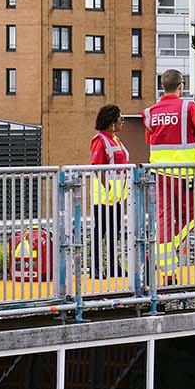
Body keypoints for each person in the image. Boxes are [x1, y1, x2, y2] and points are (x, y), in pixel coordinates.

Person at [145, 69, 195, 280]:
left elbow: (151, 141)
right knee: (193, 215)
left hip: (159, 174)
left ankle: (167, 272)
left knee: (164, 218)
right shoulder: (188, 107)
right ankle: (159, 253)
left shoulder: (150, 113)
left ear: (162, 86)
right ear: (181, 86)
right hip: (185, 174)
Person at [88, 104, 131, 279]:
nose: (122, 122)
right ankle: (96, 267)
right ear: (112, 122)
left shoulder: (115, 139)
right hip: (104, 196)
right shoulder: (100, 140)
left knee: (114, 232)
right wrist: (109, 189)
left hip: (116, 196)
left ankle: (113, 266)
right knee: (101, 231)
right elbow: (97, 167)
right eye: (121, 119)